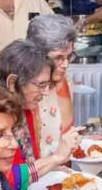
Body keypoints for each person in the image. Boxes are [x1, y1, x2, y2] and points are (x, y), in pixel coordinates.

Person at [0, 40, 79, 190]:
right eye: (41, 85)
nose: (45, 93)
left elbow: (29, 163)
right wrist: (55, 158)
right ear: (12, 83)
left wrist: (50, 168)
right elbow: (0, 182)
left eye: (47, 85)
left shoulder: (25, 109)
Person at [27, 15, 75, 157]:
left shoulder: (65, 84)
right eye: (58, 58)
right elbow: (16, 164)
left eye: (69, 57)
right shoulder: (21, 91)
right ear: (37, 54)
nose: (65, 64)